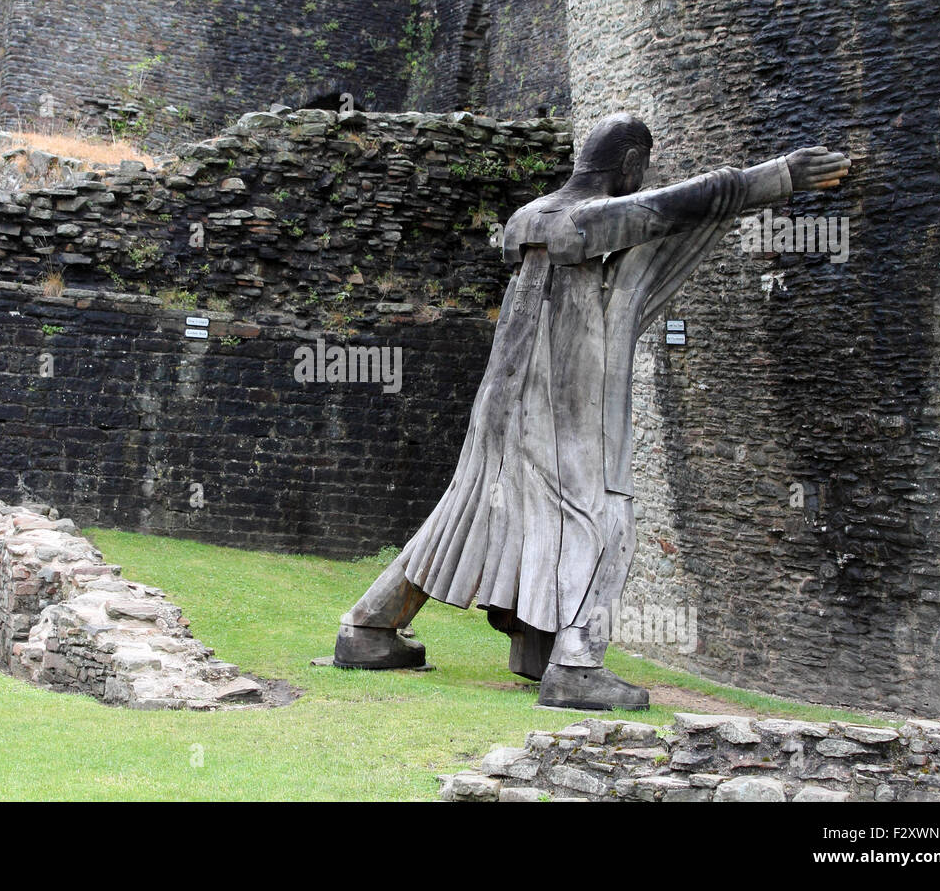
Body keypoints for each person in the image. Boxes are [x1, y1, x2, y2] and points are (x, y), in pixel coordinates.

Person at [333, 112, 851, 710]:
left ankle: (371, 626)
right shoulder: (589, 219)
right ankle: (576, 663)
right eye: (642, 167)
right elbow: (678, 204)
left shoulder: (530, 216)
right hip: (566, 401)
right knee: (604, 521)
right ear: (630, 165)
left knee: (470, 508)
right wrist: (778, 177)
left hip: (501, 398)